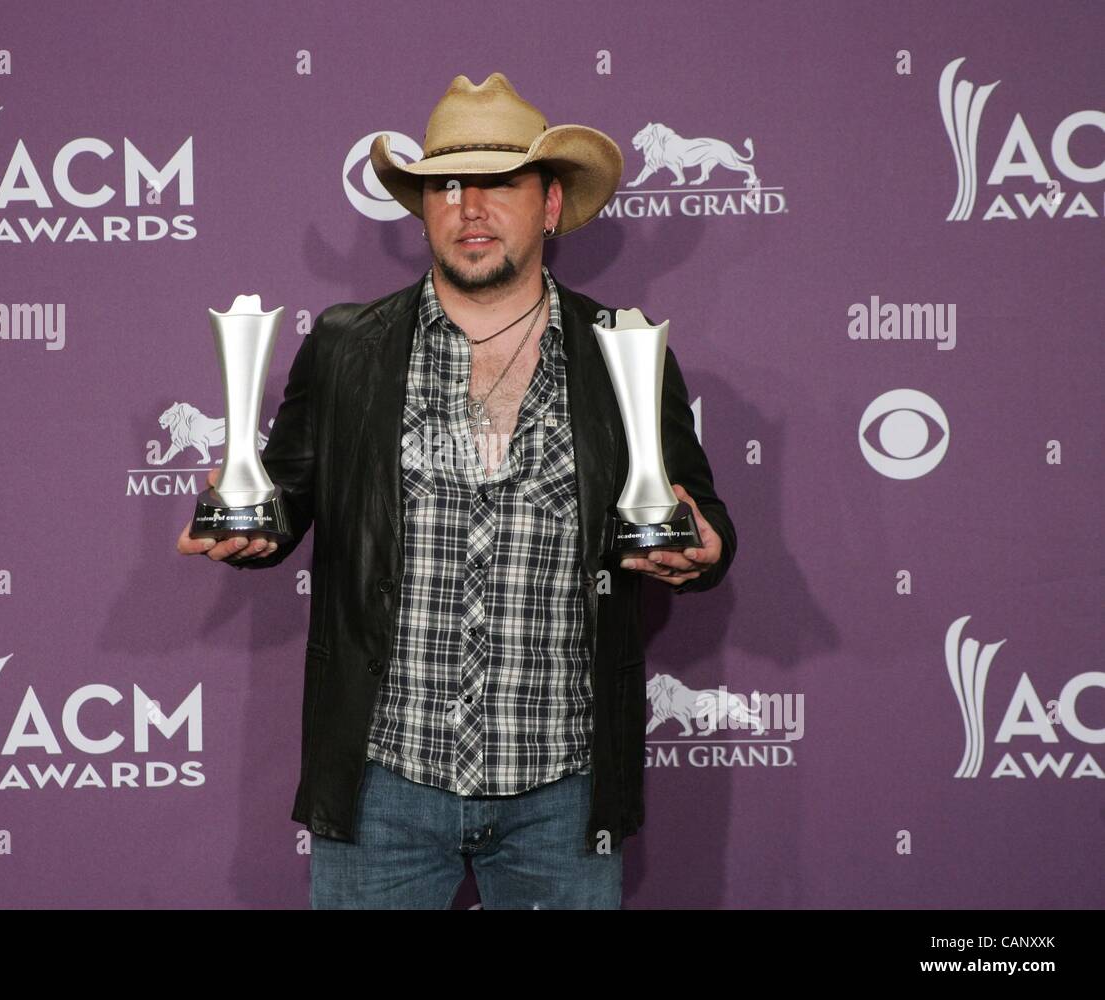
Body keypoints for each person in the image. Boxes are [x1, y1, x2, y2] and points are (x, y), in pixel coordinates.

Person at [177, 72, 736, 908]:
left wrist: (701, 549)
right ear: (422, 209)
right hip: (383, 782)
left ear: (550, 205)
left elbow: (701, 521)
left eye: (499, 184)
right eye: (446, 185)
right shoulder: (344, 347)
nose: (470, 206)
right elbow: (281, 500)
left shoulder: (623, 350)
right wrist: (247, 520)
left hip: (563, 785)